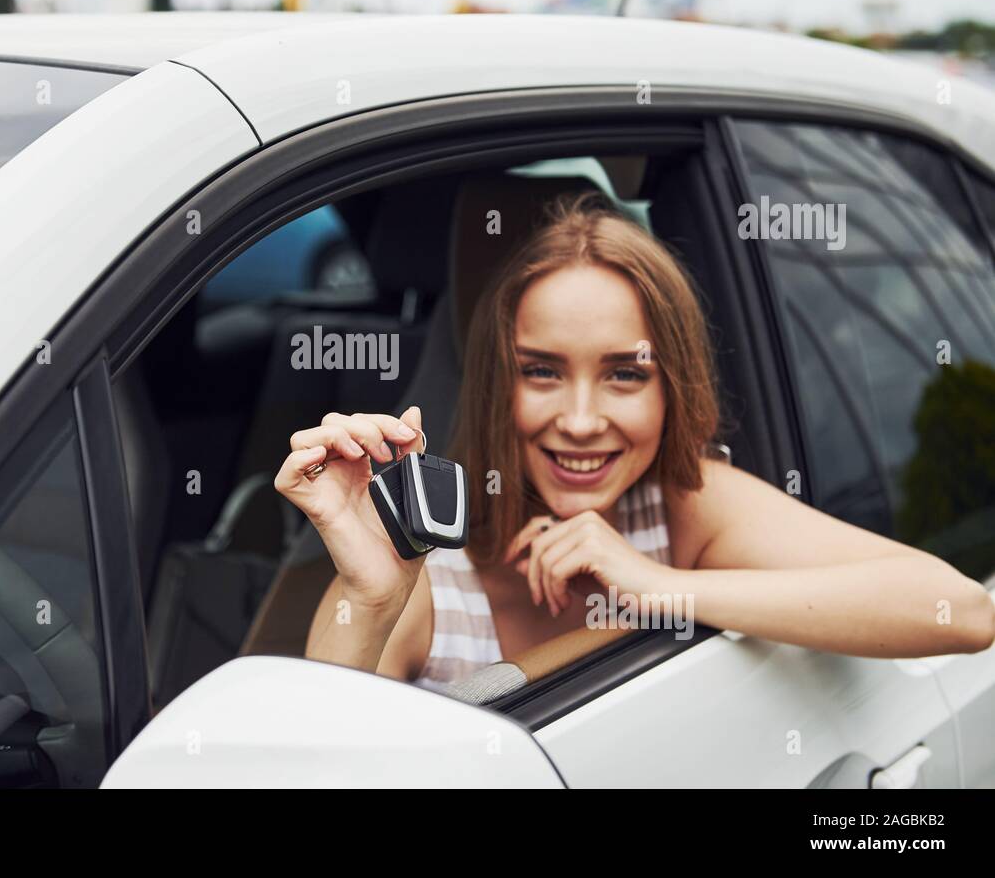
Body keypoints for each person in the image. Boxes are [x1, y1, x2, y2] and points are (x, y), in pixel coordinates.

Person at [273, 192, 995, 691]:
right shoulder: (429, 577)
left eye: (625, 373)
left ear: (671, 386)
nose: (582, 419)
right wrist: (369, 596)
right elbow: (304, 770)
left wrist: (661, 585)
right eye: (542, 372)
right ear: (499, 384)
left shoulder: (685, 508)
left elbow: (960, 610)